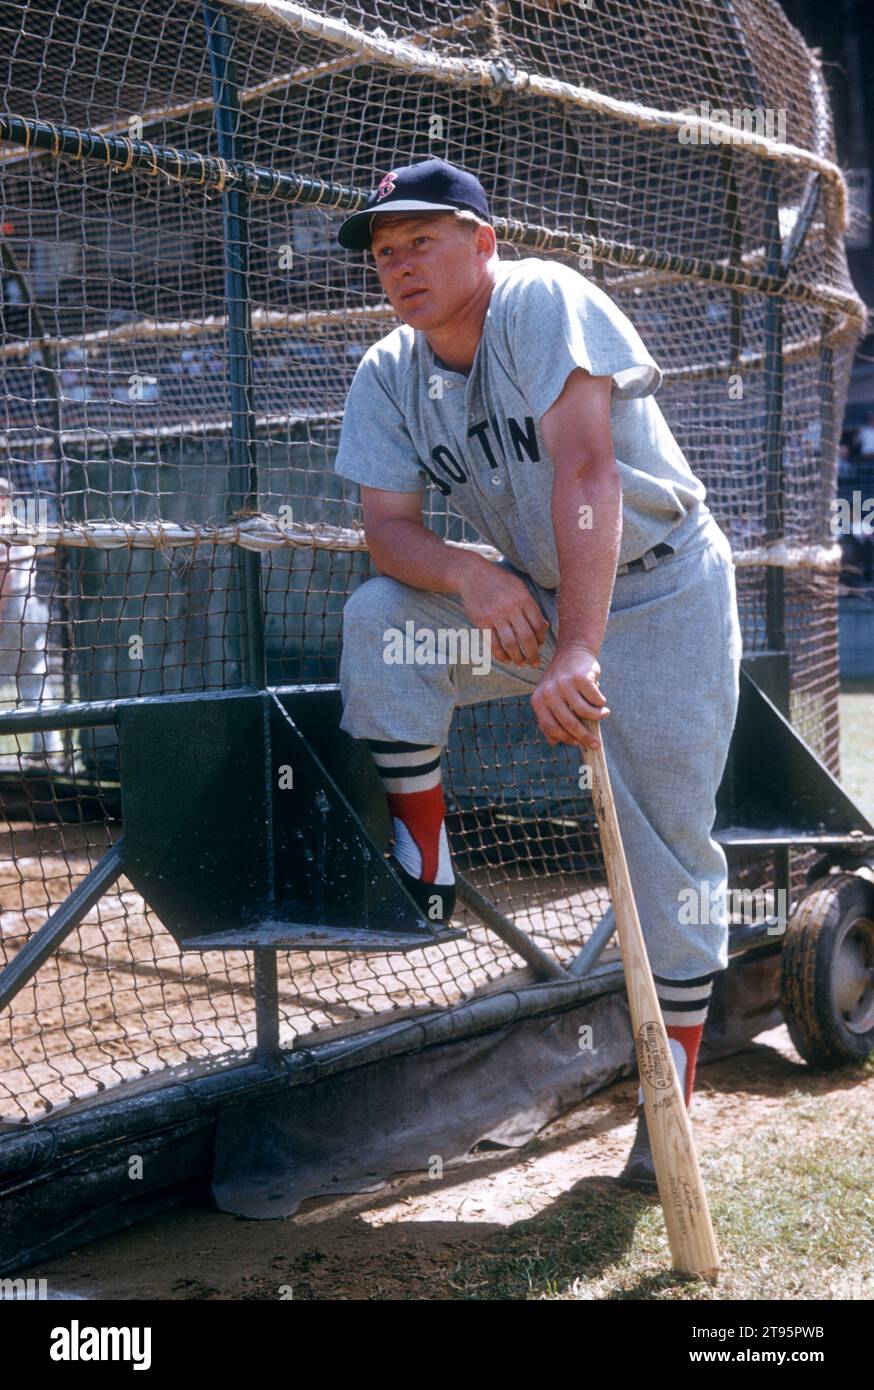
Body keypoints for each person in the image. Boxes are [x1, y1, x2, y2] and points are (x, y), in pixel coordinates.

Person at [332, 158, 743, 1186]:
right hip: (529, 596)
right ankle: (425, 871)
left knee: (666, 852)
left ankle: (668, 1113)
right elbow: (387, 532)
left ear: (484, 240)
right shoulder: (389, 368)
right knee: (384, 620)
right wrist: (467, 574)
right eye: (384, 252)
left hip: (658, 590)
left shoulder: (541, 301)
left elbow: (588, 470)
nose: (398, 265)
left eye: (421, 240)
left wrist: (579, 648)